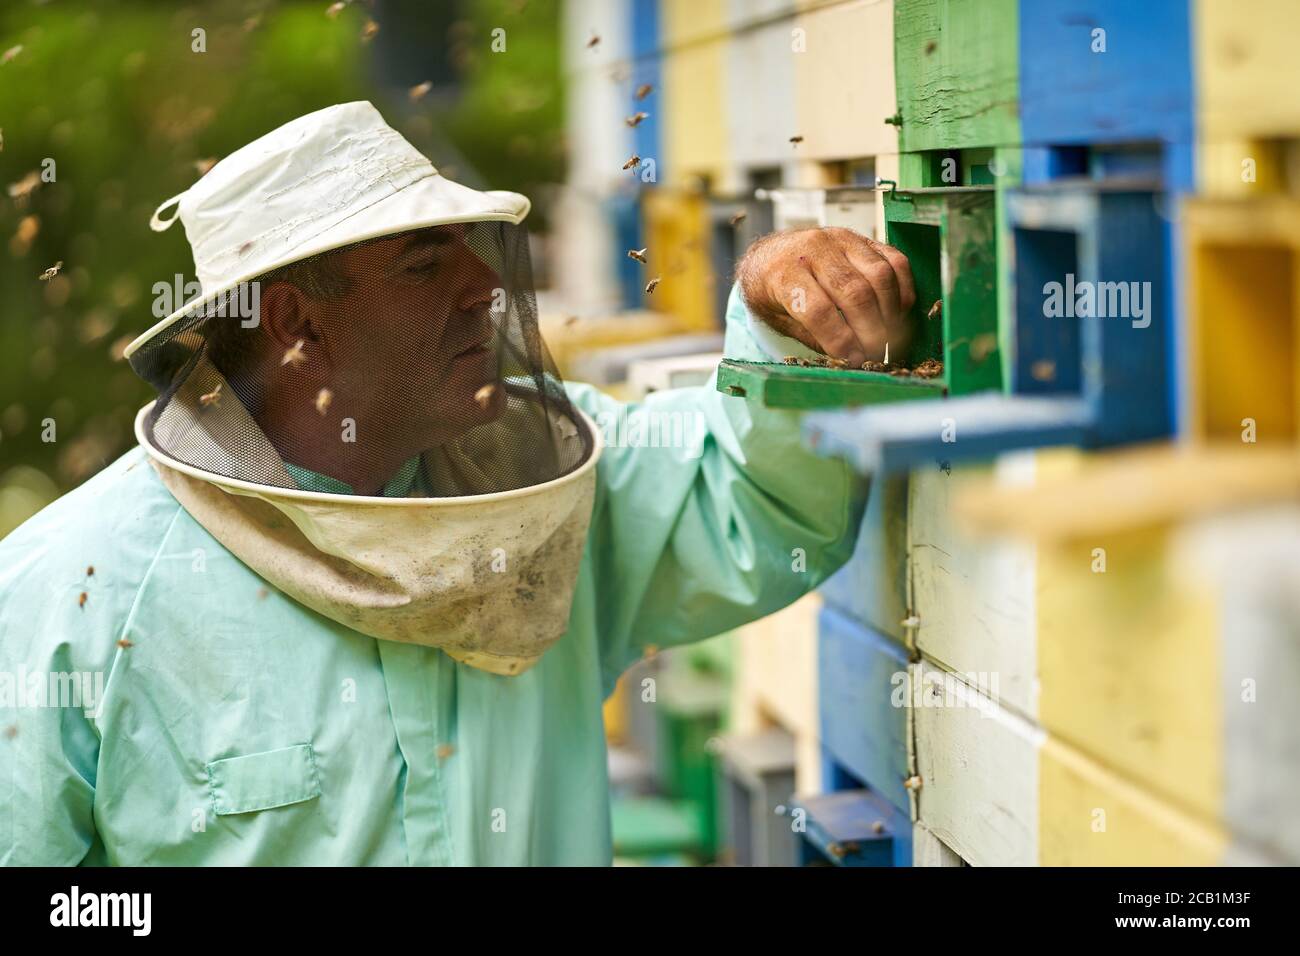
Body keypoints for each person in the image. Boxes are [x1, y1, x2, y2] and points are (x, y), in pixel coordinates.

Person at [0, 102, 914, 865]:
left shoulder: (548, 483)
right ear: (294, 324)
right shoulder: (68, 592)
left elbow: (759, 497)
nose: (484, 283)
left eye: (467, 248)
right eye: (424, 263)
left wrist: (776, 302)